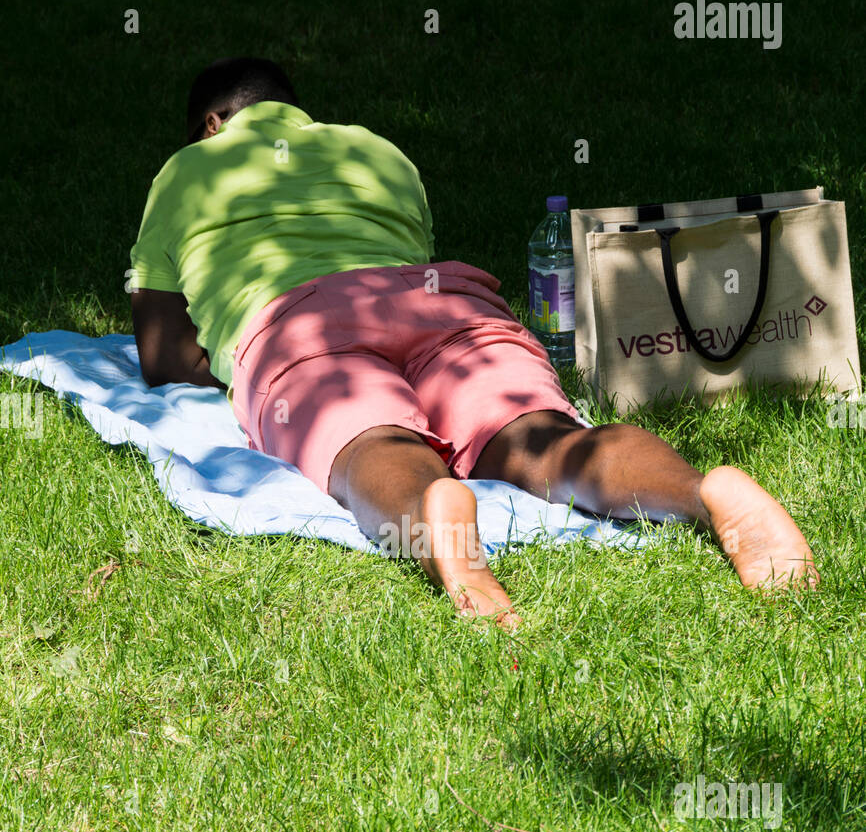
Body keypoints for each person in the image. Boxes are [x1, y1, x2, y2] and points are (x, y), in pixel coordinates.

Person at [130, 56, 818, 629]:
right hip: (440, 297)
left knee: (372, 440)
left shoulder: (187, 170)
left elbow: (162, 358)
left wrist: (230, 358)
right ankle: (701, 491)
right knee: (539, 435)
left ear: (212, 126)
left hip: (301, 326)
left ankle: (433, 514)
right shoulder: (378, 152)